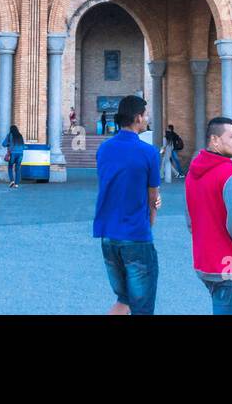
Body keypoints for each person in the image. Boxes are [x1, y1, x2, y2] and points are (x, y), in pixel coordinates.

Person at [93, 95, 161, 315]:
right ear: (138, 118)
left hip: (108, 235)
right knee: (142, 306)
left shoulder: (103, 149)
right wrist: (150, 222)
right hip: (135, 235)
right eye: (145, 114)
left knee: (124, 299)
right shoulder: (149, 152)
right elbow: (153, 197)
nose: (147, 117)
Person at [185, 117, 232, 314]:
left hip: (205, 263)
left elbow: (191, 221)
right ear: (215, 140)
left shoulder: (193, 173)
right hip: (230, 267)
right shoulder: (231, 174)